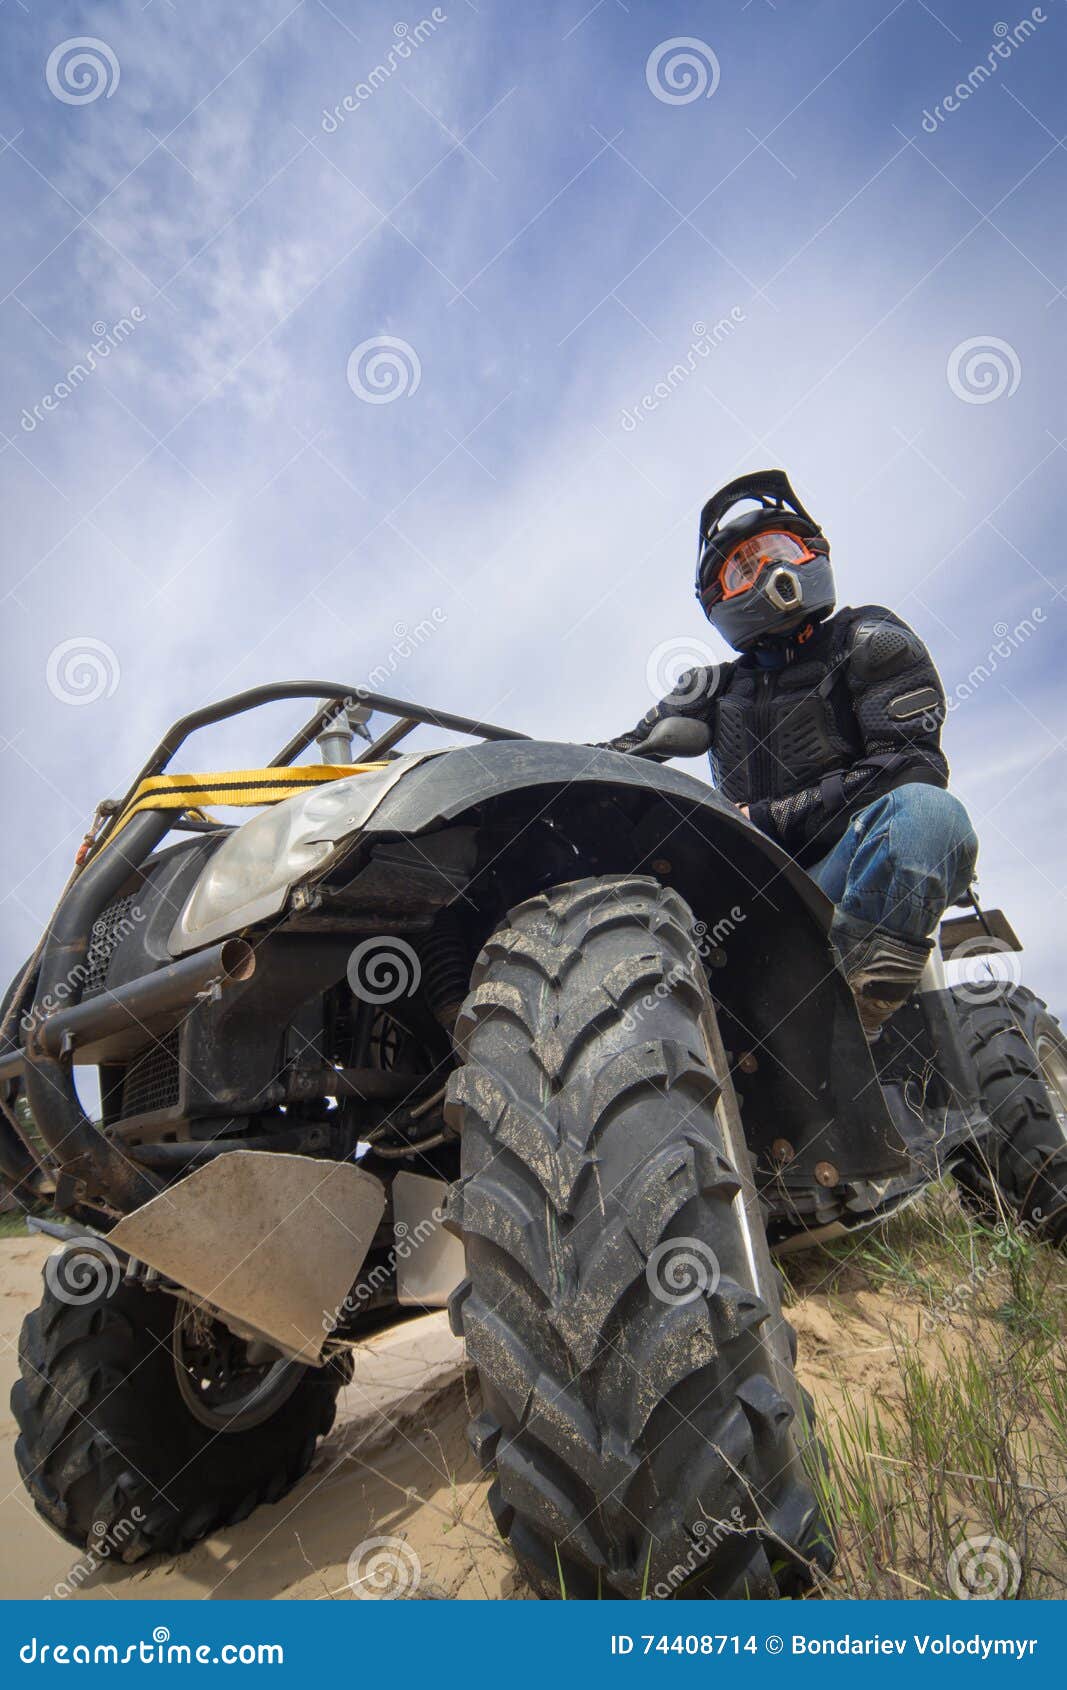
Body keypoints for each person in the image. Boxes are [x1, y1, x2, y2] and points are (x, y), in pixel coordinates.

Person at [603, 469, 978, 1037]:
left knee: (929, 816)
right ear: (718, 598)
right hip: (741, 893)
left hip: (844, 875)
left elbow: (910, 763)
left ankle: (853, 1016)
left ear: (812, 553)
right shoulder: (712, 686)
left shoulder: (868, 638)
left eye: (779, 549)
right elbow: (626, 751)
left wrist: (766, 819)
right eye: (744, 568)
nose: (770, 571)